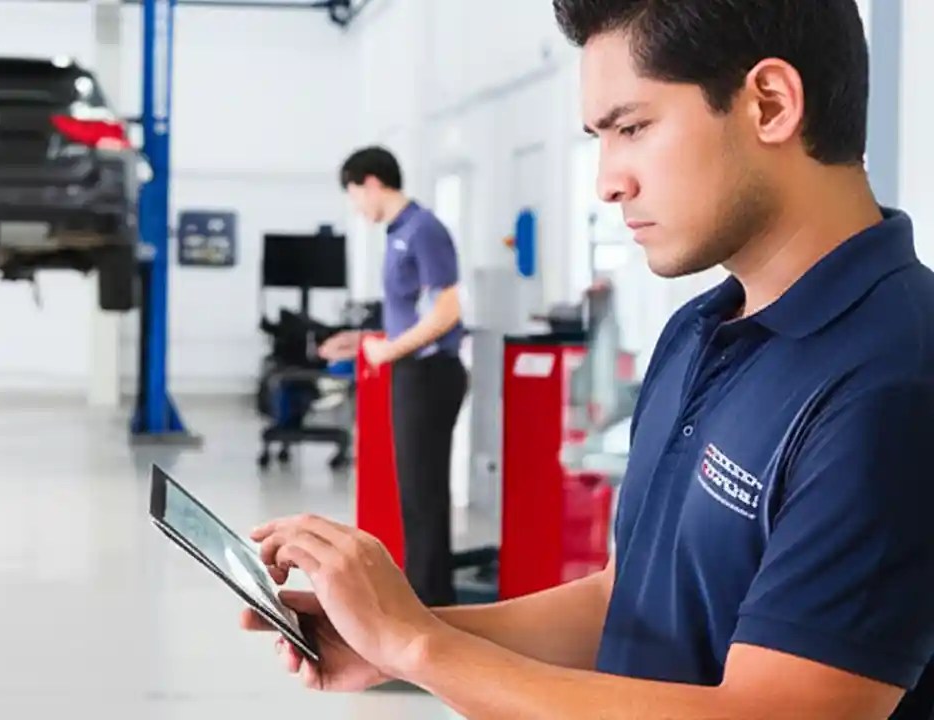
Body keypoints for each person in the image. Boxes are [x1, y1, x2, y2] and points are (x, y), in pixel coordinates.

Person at [240, 1, 934, 717]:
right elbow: (622, 601)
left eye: (631, 128)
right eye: (599, 139)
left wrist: (420, 648)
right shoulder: (699, 329)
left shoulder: (893, 380)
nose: (607, 182)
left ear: (770, 104)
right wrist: (398, 637)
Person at [317, 146, 467, 608]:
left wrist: (387, 350)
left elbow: (447, 310)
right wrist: (362, 339)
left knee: (423, 494)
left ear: (373, 183)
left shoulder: (423, 230)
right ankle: (424, 596)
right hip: (411, 368)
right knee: (415, 492)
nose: (357, 207)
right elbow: (411, 312)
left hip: (429, 373)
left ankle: (430, 606)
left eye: (355, 195)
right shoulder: (399, 232)